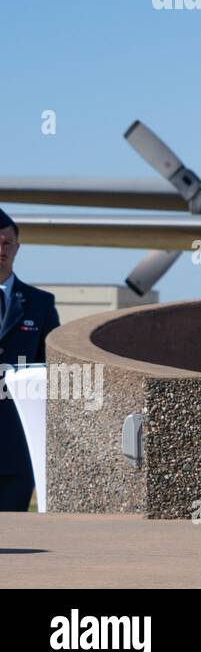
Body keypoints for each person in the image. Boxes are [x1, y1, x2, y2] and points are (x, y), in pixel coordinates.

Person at [0, 208, 60, 512]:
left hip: (17, 442)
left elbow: (53, 369)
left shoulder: (40, 303)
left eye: (6, 243)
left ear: (17, 248)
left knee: (12, 533)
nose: (1, 251)